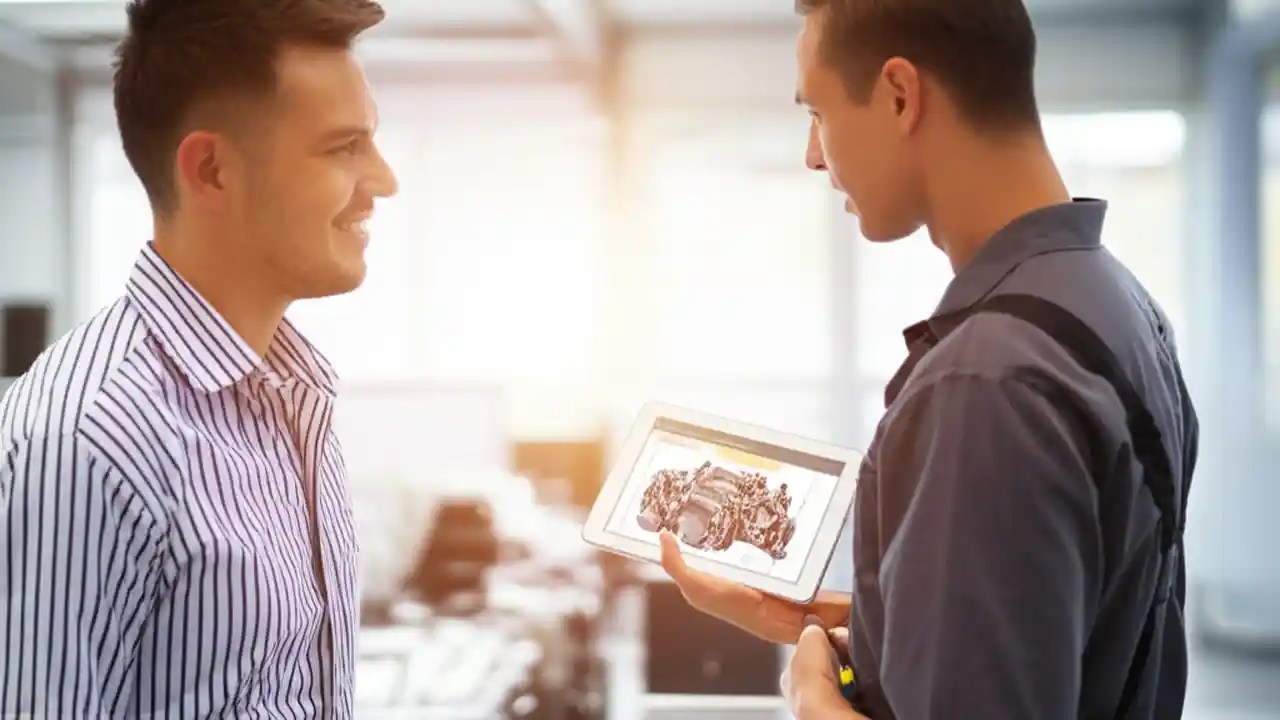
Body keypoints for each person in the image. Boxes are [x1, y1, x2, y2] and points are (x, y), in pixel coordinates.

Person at [660, 0, 1199, 718]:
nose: (813, 155)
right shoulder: (1118, 306)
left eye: (817, 112)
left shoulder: (985, 385)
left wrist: (815, 696)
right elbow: (1057, 633)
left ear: (899, 95)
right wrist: (810, 620)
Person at [0, 0, 397, 716]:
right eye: (344, 147)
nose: (384, 180)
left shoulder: (291, 401)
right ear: (211, 169)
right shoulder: (86, 439)